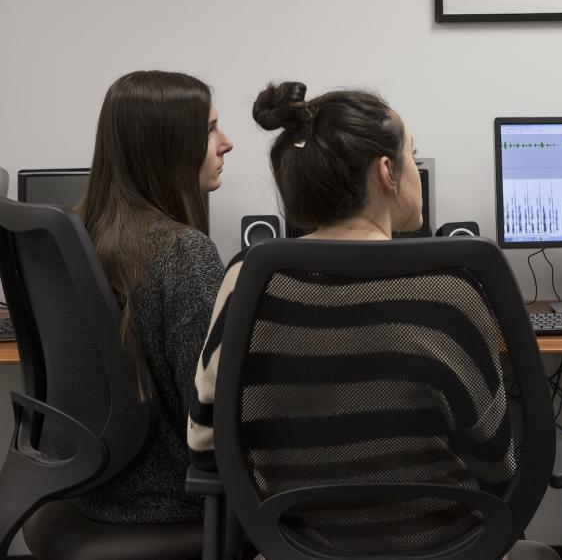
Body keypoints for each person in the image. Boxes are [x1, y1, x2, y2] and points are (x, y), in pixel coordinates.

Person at [187, 83, 514, 505]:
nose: (413, 167)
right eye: (410, 155)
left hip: (294, 547)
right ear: (385, 172)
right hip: (445, 546)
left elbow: (204, 443)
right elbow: (497, 466)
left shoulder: (247, 279)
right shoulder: (450, 290)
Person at [74, 70, 233, 524]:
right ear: (166, 146)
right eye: (209, 130)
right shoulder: (183, 253)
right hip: (170, 499)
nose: (226, 142)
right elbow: (214, 418)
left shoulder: (86, 233)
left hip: (96, 486)